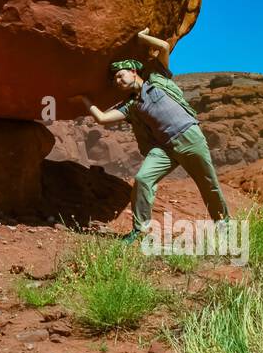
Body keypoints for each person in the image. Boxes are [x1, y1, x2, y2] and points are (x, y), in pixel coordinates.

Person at [78, 29, 230, 243]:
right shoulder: (131, 106)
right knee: (142, 179)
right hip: (164, 148)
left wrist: (141, 38)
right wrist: (84, 99)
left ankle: (224, 227)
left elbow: (164, 48)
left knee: (208, 184)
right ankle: (140, 230)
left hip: (189, 137)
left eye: (120, 76)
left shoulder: (158, 79)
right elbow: (102, 118)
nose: (118, 82)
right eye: (115, 81)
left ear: (133, 71)